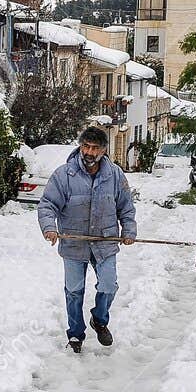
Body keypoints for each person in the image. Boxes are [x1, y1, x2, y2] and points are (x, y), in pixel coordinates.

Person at [37, 126, 136, 352]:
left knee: (109, 285)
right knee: (74, 290)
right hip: (74, 242)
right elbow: (47, 205)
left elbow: (126, 207)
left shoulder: (115, 175)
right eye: (86, 146)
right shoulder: (64, 175)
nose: (89, 152)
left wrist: (129, 230)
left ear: (104, 150)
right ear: (81, 146)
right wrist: (49, 228)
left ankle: (99, 320)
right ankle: (75, 333)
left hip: (105, 241)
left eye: (95, 148)